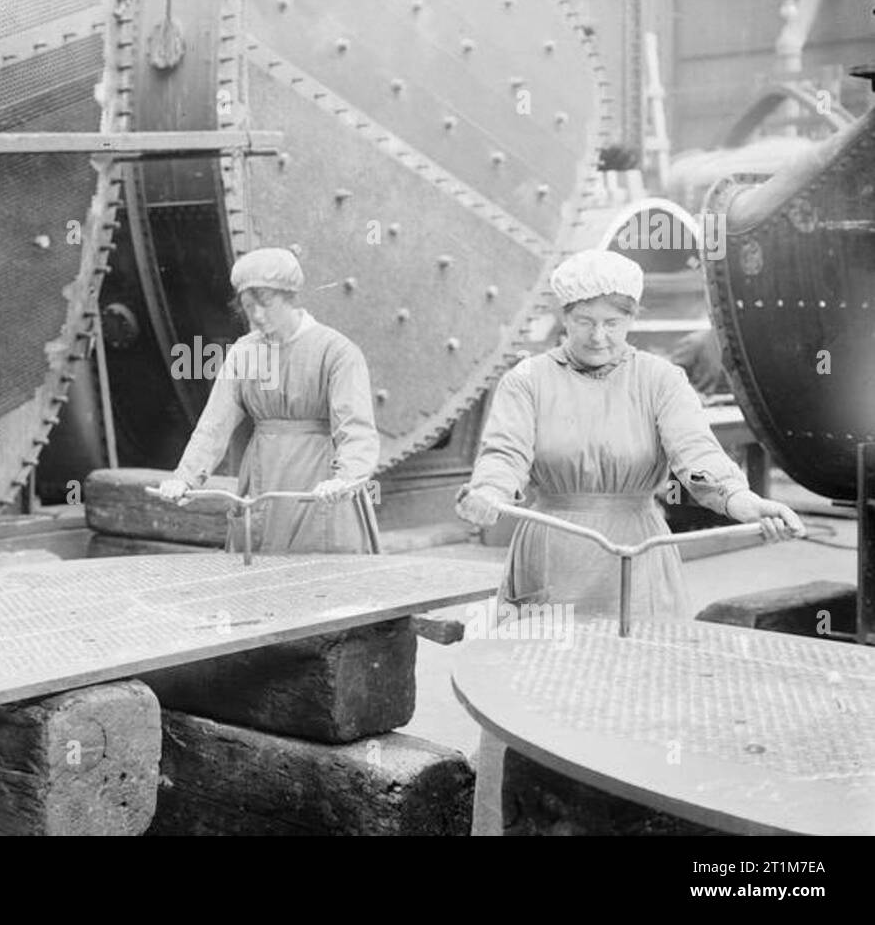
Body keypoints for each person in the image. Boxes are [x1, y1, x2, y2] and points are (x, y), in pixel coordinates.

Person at [455, 247, 805, 834]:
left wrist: (744, 501)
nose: (599, 335)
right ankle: (531, 819)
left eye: (613, 322)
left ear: (631, 319)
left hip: (636, 555)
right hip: (554, 549)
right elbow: (504, 455)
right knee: (542, 696)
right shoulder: (528, 380)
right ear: (564, 317)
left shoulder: (660, 380)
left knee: (642, 693)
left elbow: (697, 457)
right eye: (586, 321)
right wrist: (490, 491)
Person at [156, 247, 380, 553]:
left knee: (319, 578)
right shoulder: (244, 352)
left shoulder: (337, 352)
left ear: (290, 297)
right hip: (263, 482)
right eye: (249, 307)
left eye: (266, 303)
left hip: (321, 486)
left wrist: (346, 479)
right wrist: (185, 478)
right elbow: (214, 424)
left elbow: (356, 429)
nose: (258, 316)